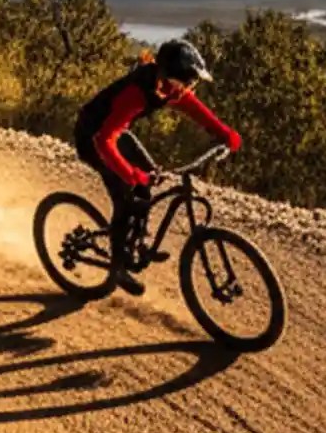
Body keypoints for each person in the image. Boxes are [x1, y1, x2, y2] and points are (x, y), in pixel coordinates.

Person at [74, 39, 241, 296]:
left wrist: (224, 133)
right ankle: (117, 267)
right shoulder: (136, 94)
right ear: (173, 76)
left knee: (147, 185)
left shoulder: (167, 87)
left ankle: (135, 242)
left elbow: (191, 106)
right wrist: (130, 174)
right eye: (188, 80)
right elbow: (103, 140)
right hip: (93, 139)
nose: (191, 86)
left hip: (115, 133)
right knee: (124, 195)